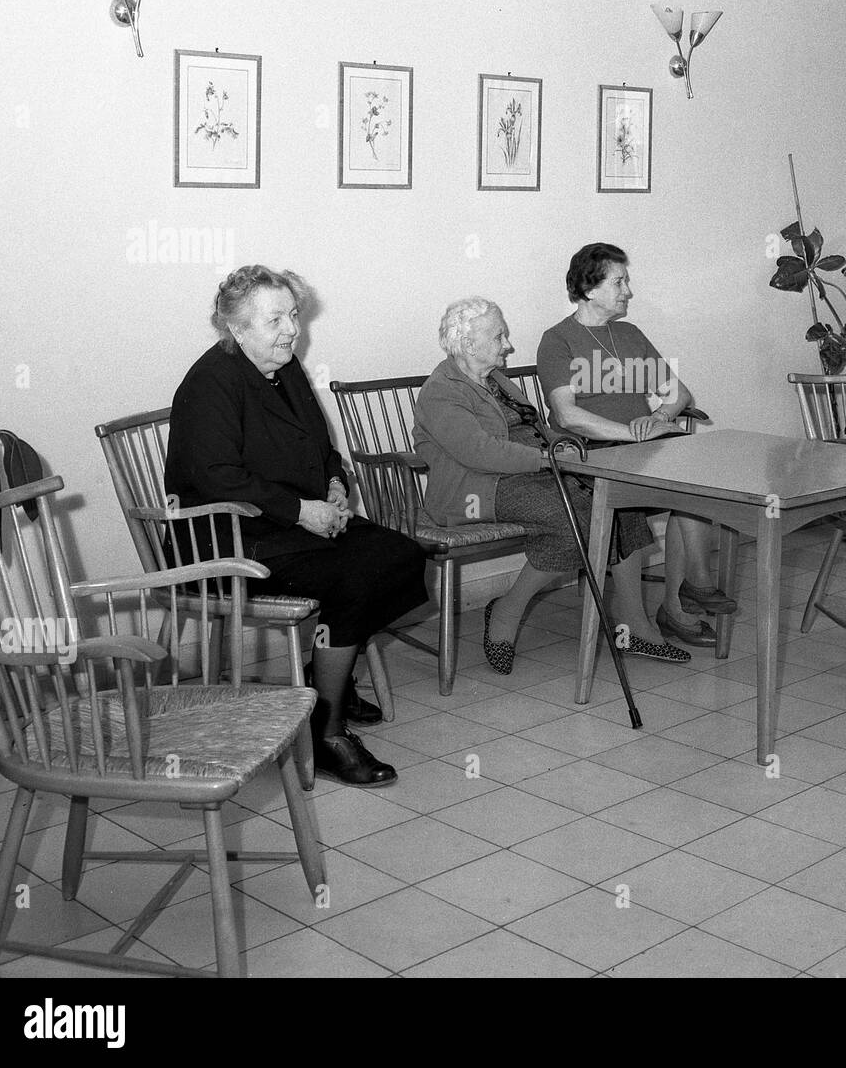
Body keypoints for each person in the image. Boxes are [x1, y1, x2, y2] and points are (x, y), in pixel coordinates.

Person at [165, 265, 428, 788]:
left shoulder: (283, 367)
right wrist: (302, 510)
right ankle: (325, 730)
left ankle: (326, 675)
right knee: (354, 575)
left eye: (293, 315)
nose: (291, 330)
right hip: (225, 537)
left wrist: (334, 484)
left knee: (401, 554)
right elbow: (217, 478)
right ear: (236, 329)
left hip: (289, 525)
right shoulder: (212, 382)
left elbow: (319, 445)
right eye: (275, 320)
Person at [413, 296, 691, 671]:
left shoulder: (494, 379)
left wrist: (559, 455)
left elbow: (534, 429)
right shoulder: (443, 389)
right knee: (575, 519)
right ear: (467, 344)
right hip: (475, 490)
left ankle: (633, 626)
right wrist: (548, 459)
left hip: (530, 473)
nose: (507, 345)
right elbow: (480, 453)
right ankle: (507, 612)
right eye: (498, 337)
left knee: (614, 499)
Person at [537, 243, 736, 647]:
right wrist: (630, 432)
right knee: (683, 487)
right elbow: (567, 415)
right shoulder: (558, 341)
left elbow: (677, 392)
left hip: (642, 445)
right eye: (619, 281)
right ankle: (689, 594)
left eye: (626, 281)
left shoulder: (629, 335)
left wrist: (660, 418)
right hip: (594, 452)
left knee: (697, 480)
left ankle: (686, 594)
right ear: (590, 288)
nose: (628, 291)